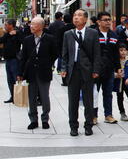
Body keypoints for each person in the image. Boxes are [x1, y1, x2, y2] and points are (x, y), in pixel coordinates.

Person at [61, 9, 101, 137]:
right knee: (72, 101)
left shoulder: (93, 33)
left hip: (88, 71)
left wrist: (95, 70)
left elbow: (97, 54)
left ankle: (88, 125)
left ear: (85, 19)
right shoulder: (68, 34)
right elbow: (65, 54)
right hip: (73, 71)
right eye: (74, 15)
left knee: (88, 100)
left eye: (79, 15)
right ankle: (73, 126)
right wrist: (63, 69)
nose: (76, 18)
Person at [17, 17, 58, 130]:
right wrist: (20, 73)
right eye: (31, 24)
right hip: (31, 73)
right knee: (32, 97)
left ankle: (45, 119)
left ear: (41, 26)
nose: (31, 26)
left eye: (33, 24)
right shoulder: (27, 40)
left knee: (45, 96)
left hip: (44, 72)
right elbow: (23, 57)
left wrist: (47, 63)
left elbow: (55, 54)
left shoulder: (50, 39)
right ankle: (33, 120)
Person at [93, 11, 121, 125]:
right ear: (98, 22)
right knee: (94, 93)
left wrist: (118, 68)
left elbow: (116, 54)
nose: (108, 22)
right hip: (96, 70)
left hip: (109, 70)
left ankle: (108, 115)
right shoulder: (93, 34)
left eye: (109, 20)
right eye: (105, 20)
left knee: (108, 93)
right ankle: (93, 116)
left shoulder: (114, 35)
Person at [0, 19, 23, 104]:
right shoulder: (7, 34)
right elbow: (1, 40)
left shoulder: (18, 33)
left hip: (15, 60)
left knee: (16, 78)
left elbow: (23, 40)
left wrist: (16, 33)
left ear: (11, 25)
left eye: (6, 25)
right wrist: (8, 35)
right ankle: (12, 96)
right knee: (9, 80)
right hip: (8, 60)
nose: (5, 26)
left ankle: (19, 96)